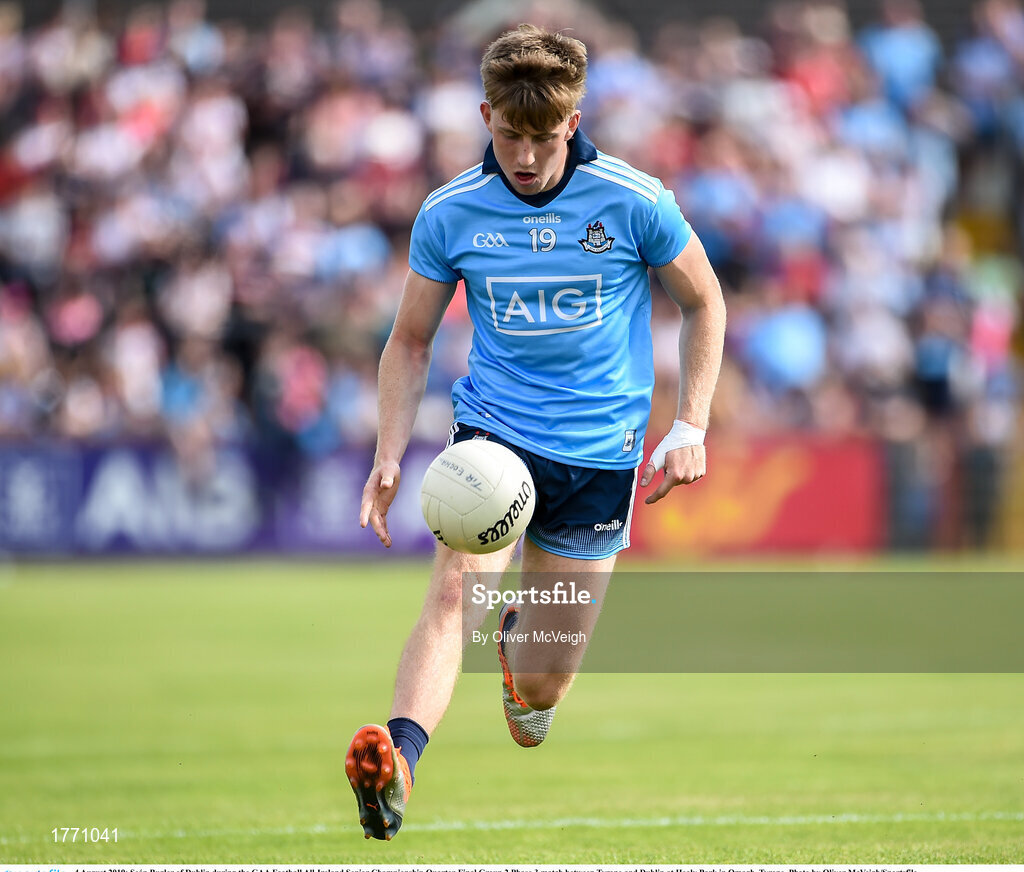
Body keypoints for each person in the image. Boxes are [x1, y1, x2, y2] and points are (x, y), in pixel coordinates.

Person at [347, 23, 726, 841]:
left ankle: (524, 665)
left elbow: (704, 301)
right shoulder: (451, 213)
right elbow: (410, 340)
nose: (525, 155)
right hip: (495, 438)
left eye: (543, 137)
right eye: (510, 134)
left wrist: (690, 422)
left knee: (545, 692)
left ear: (574, 122)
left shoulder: (634, 200)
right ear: (486, 115)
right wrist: (388, 450)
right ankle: (399, 761)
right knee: (454, 592)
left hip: (598, 461)